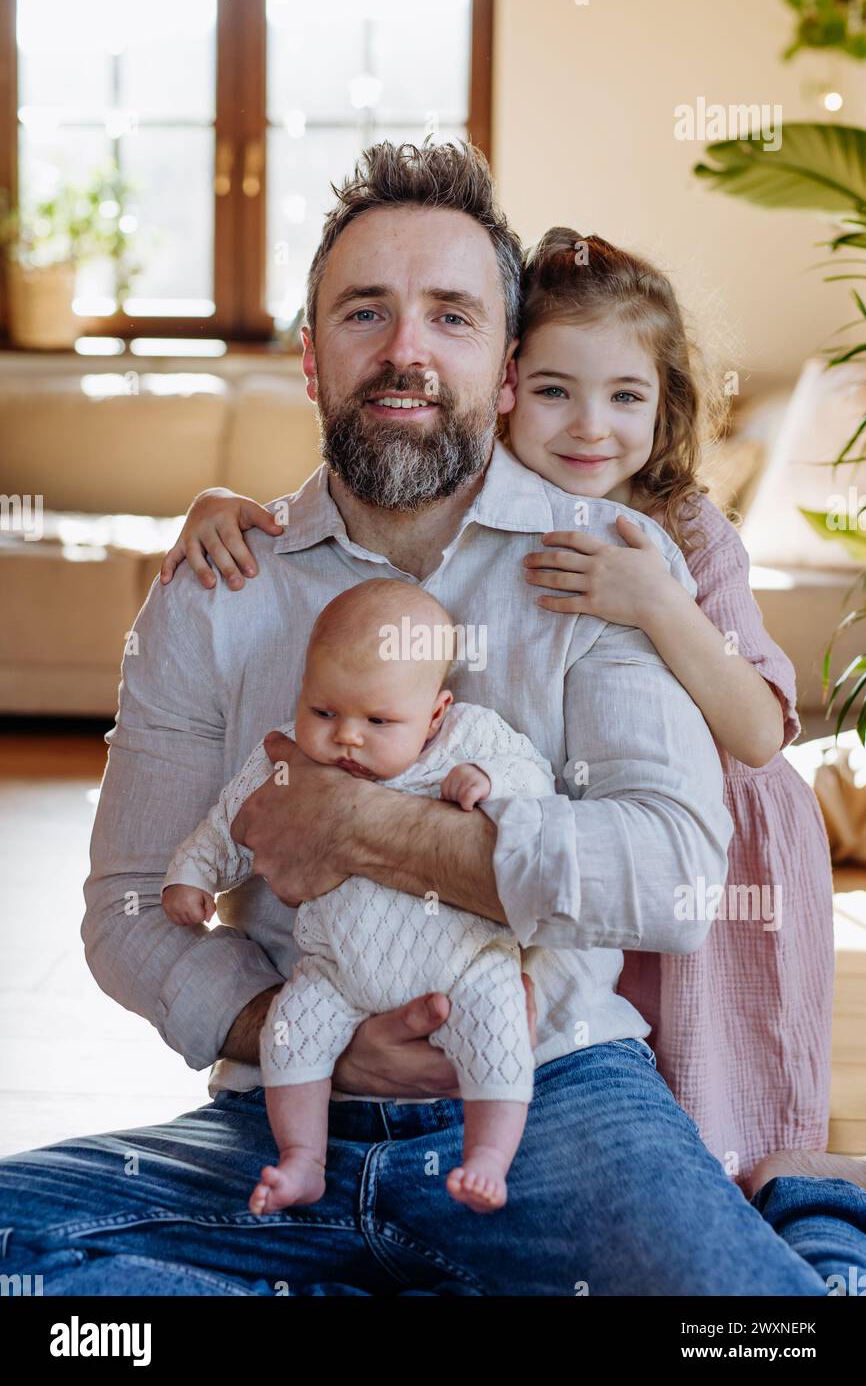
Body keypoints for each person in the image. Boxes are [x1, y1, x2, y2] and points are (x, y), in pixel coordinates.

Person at [1, 139, 863, 1297]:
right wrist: (287, 1027)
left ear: (505, 367)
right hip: (282, 1118)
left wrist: (365, 830)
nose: (405, 350)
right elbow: (123, 908)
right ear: (310, 359)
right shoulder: (218, 589)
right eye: (366, 313)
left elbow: (671, 875)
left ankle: (817, 1224)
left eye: (449, 316)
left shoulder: (605, 561)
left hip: (559, 1096)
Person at [175, 227, 835, 1188]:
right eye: (556, 390)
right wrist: (220, 502)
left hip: (729, 836)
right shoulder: (482, 515)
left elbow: (760, 731)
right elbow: (342, 516)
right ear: (507, 385)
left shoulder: (685, 532)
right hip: (590, 852)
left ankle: (802, 1206)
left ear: (666, 407)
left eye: (625, 397)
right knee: (628, 1051)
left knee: (729, 1079)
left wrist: (658, 600)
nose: (588, 428)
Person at [163, 579, 555, 1215]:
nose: (346, 737)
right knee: (289, 1033)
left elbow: (534, 777)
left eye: (378, 721)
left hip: (465, 963)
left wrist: (489, 779)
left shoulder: (468, 739)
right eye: (323, 712)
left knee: (503, 1030)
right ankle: (302, 1160)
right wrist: (193, 875)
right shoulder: (285, 763)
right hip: (335, 972)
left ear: (435, 713)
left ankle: (487, 1158)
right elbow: (232, 819)